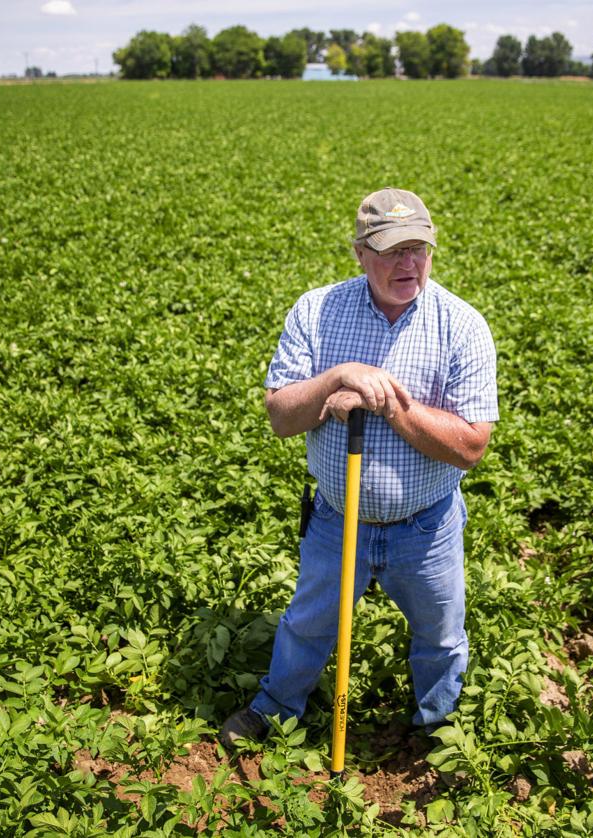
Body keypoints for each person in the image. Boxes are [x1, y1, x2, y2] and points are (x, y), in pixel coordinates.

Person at [219, 187, 498, 750]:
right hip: (335, 516)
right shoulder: (317, 311)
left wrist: (387, 403)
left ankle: (434, 727)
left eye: (419, 248)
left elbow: (471, 446)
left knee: (440, 637)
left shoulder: (463, 326)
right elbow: (279, 416)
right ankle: (275, 710)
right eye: (393, 250)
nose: (408, 263)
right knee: (308, 625)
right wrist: (337, 378)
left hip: (426, 526)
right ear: (360, 253)